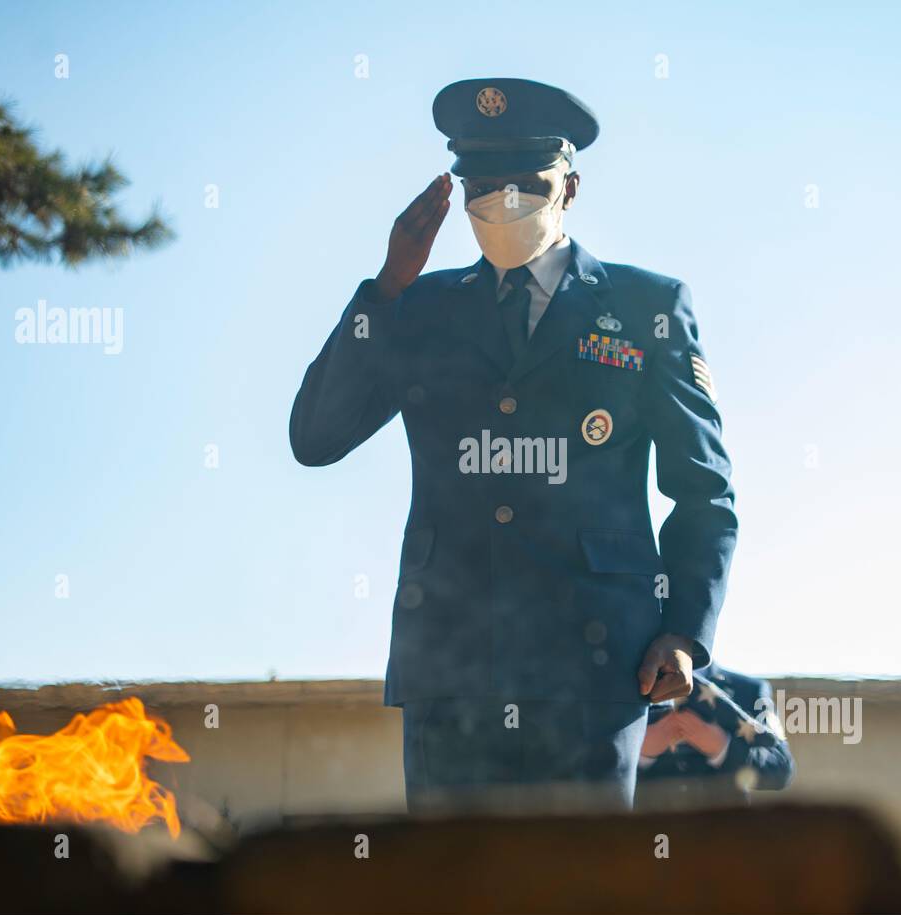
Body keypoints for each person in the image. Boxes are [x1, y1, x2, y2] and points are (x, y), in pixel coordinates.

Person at [290, 78, 738, 812]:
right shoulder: (420, 307)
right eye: (483, 183)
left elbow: (704, 489)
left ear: (571, 188)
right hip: (451, 672)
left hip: (597, 671)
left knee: (582, 889)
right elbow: (315, 437)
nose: (504, 201)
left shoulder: (646, 306)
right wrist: (389, 284)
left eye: (527, 183)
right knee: (453, 890)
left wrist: (684, 632)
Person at [637, 664, 794, 803]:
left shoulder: (748, 689)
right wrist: (638, 752)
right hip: (643, 829)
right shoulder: (625, 686)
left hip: (722, 829)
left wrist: (723, 747)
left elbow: (780, 770)